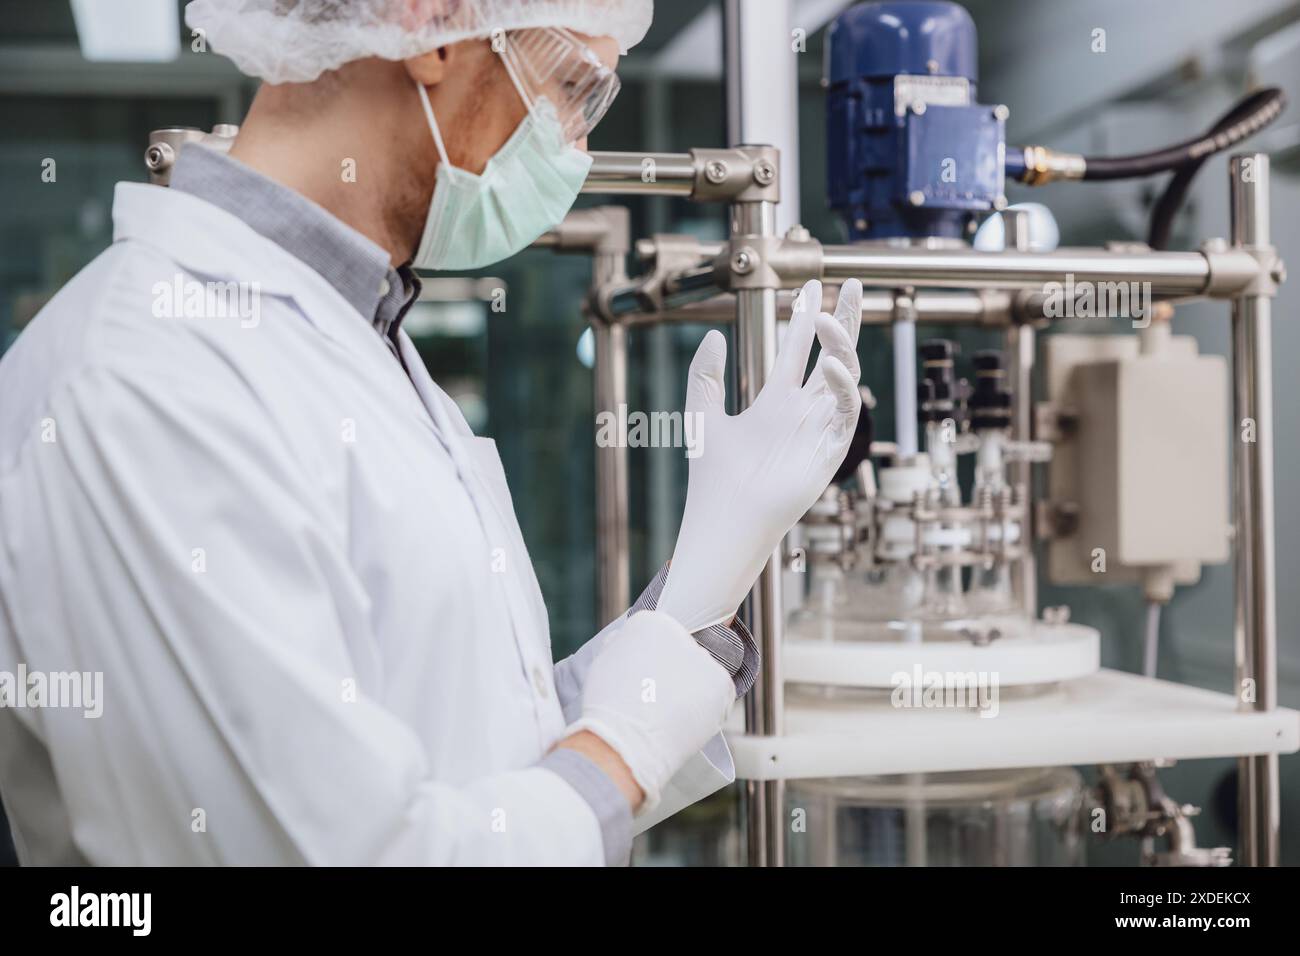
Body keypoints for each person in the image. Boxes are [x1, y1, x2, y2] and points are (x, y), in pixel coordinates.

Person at [0, 0, 863, 865]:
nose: (578, 148)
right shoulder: (148, 382)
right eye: (570, 86)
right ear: (436, 32)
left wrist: (697, 592)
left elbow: (481, 761)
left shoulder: (367, 344)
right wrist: (626, 747)